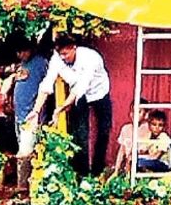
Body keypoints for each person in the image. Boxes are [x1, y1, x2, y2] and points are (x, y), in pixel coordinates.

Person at [27, 33, 112, 176]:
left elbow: (80, 87)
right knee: (79, 134)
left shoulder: (91, 58)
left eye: (66, 54)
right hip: (79, 96)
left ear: (74, 48)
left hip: (99, 92)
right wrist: (35, 111)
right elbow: (47, 84)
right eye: (60, 54)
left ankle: (98, 170)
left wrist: (60, 108)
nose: (63, 57)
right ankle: (81, 173)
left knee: (104, 129)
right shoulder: (57, 59)